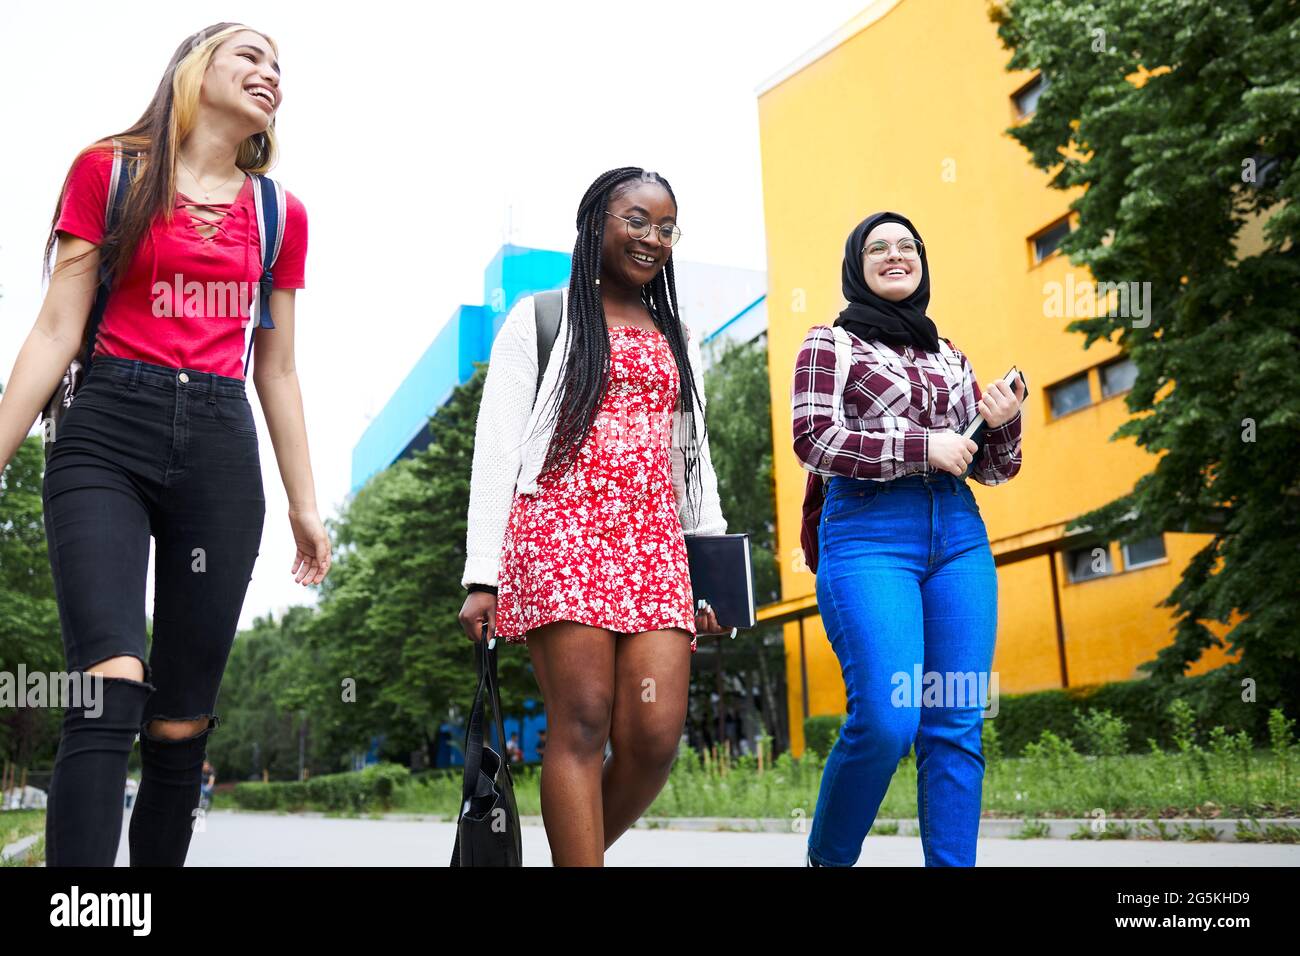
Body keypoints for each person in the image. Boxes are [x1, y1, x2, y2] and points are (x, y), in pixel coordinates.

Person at [0, 23, 330, 867]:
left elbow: (279, 370)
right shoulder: (109, 173)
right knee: (110, 688)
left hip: (221, 447)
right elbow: (53, 331)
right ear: (194, 70)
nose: (270, 74)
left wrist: (305, 505)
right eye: (250, 56)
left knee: (181, 722)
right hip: (107, 430)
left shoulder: (278, 213)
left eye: (279, 67)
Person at [458, 167, 732, 866]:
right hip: (561, 532)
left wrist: (717, 577)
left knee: (654, 736)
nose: (652, 238)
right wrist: (482, 576)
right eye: (636, 220)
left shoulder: (677, 334)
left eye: (666, 228)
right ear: (596, 225)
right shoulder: (541, 317)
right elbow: (495, 451)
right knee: (581, 723)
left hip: (653, 544)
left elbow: (690, 453)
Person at [791, 211, 1024, 867]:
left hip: (956, 534)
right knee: (888, 720)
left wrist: (999, 423)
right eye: (878, 248)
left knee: (954, 723)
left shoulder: (950, 357)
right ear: (856, 266)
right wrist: (927, 444)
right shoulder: (829, 345)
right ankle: (827, 860)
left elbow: (995, 468)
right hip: (868, 533)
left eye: (907, 246)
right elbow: (815, 439)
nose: (895, 255)